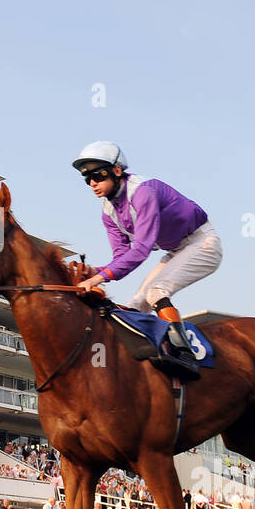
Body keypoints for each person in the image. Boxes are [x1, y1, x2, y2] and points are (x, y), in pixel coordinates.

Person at [71, 141, 222, 377]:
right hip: (176, 250)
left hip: (202, 243)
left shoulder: (143, 192)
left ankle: (183, 355)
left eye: (97, 175)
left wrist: (99, 278)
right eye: (87, 179)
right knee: (136, 307)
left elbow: (140, 249)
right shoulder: (108, 210)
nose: (92, 184)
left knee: (157, 292)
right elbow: (121, 256)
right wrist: (94, 272)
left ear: (117, 170)